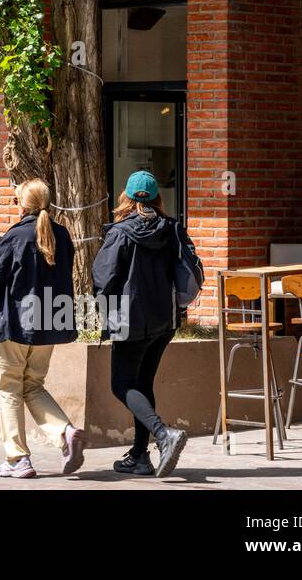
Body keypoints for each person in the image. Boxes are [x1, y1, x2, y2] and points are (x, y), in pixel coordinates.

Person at [0, 179, 86, 478]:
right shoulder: (62, 235)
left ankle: (17, 459)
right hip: (49, 322)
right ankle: (65, 432)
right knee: (33, 384)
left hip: (16, 324)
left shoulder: (15, 236)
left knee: (10, 389)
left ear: (21, 205)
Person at [92, 170, 191, 478]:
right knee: (142, 384)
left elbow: (103, 278)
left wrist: (100, 307)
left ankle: (163, 435)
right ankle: (139, 456)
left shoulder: (120, 232)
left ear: (127, 197)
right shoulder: (171, 229)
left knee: (122, 385)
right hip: (164, 320)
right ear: (156, 199)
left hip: (129, 320)